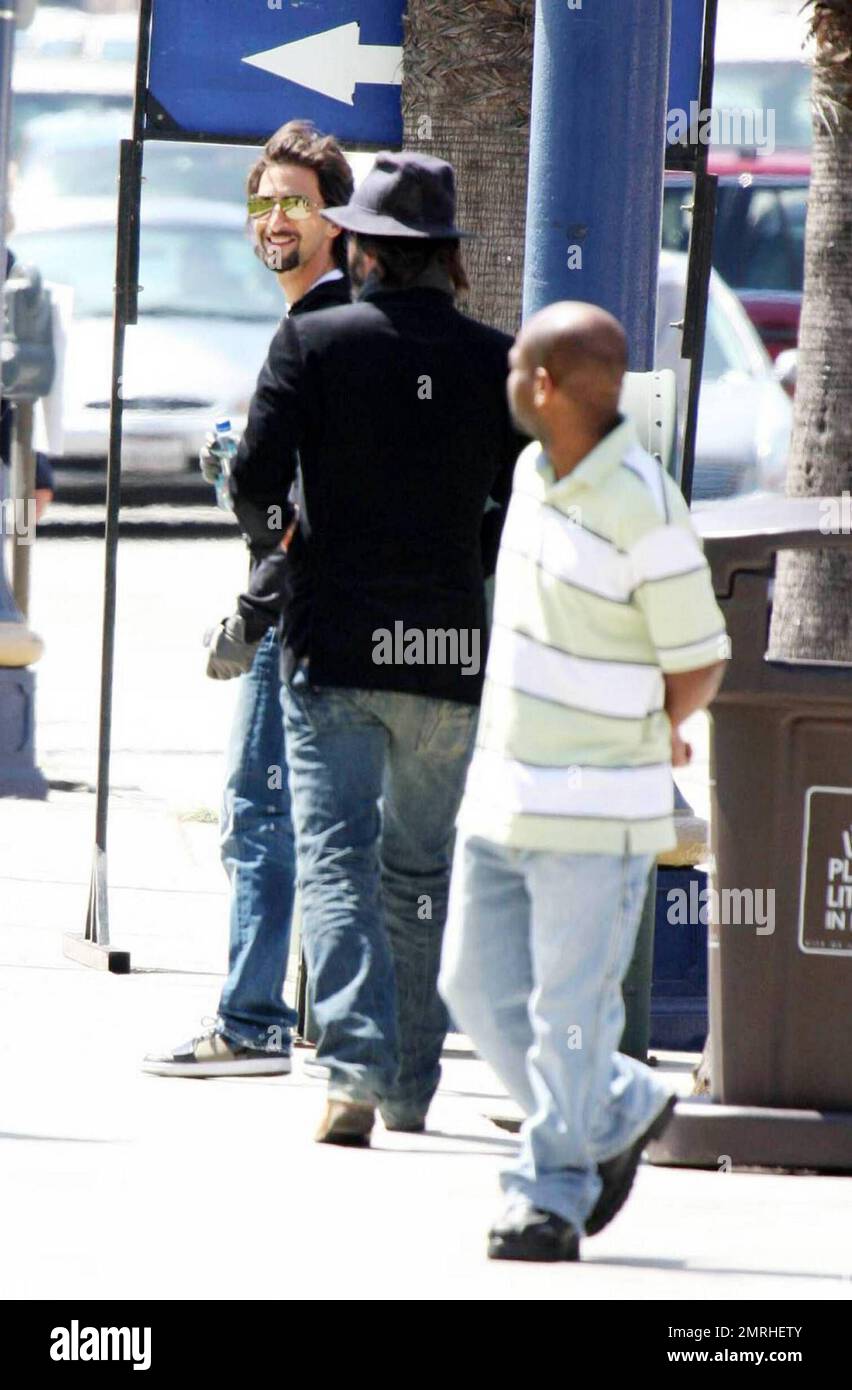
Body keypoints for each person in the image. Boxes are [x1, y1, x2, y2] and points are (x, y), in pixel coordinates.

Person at [226, 152, 524, 1144]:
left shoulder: (313, 344)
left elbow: (253, 481)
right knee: (420, 874)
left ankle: (352, 1074)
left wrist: (284, 541)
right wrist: (468, 557)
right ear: (446, 255)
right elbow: (522, 506)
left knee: (337, 862)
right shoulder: (496, 359)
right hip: (445, 649)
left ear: (362, 247)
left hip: (334, 646)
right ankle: (409, 1087)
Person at [440, 301, 729, 1262]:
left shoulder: (644, 504)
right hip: (501, 791)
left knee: (569, 1012)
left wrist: (657, 728)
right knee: (476, 986)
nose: (507, 376)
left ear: (549, 387)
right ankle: (618, 1103)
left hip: (598, 806)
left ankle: (550, 1195)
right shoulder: (530, 471)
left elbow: (700, 656)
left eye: (519, 363)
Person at [144, 122, 353, 1078]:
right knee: (335, 824)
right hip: (354, 618)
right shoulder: (333, 319)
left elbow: (306, 512)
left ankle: (254, 1021)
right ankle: (321, 1020)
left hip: (302, 618)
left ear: (336, 218)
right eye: (263, 202)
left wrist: (253, 611)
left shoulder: (319, 332)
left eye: (295, 202)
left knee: (258, 814)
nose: (275, 218)